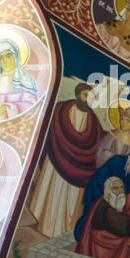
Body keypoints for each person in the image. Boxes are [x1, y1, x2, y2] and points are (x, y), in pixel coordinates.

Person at [31, 82, 102, 239]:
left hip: (79, 169)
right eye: (85, 95)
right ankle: (42, 226)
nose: (88, 99)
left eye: (92, 97)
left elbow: (96, 144)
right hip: (57, 159)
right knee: (50, 192)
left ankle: (64, 230)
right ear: (78, 95)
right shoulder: (60, 109)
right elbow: (47, 130)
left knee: (71, 200)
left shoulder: (94, 121)